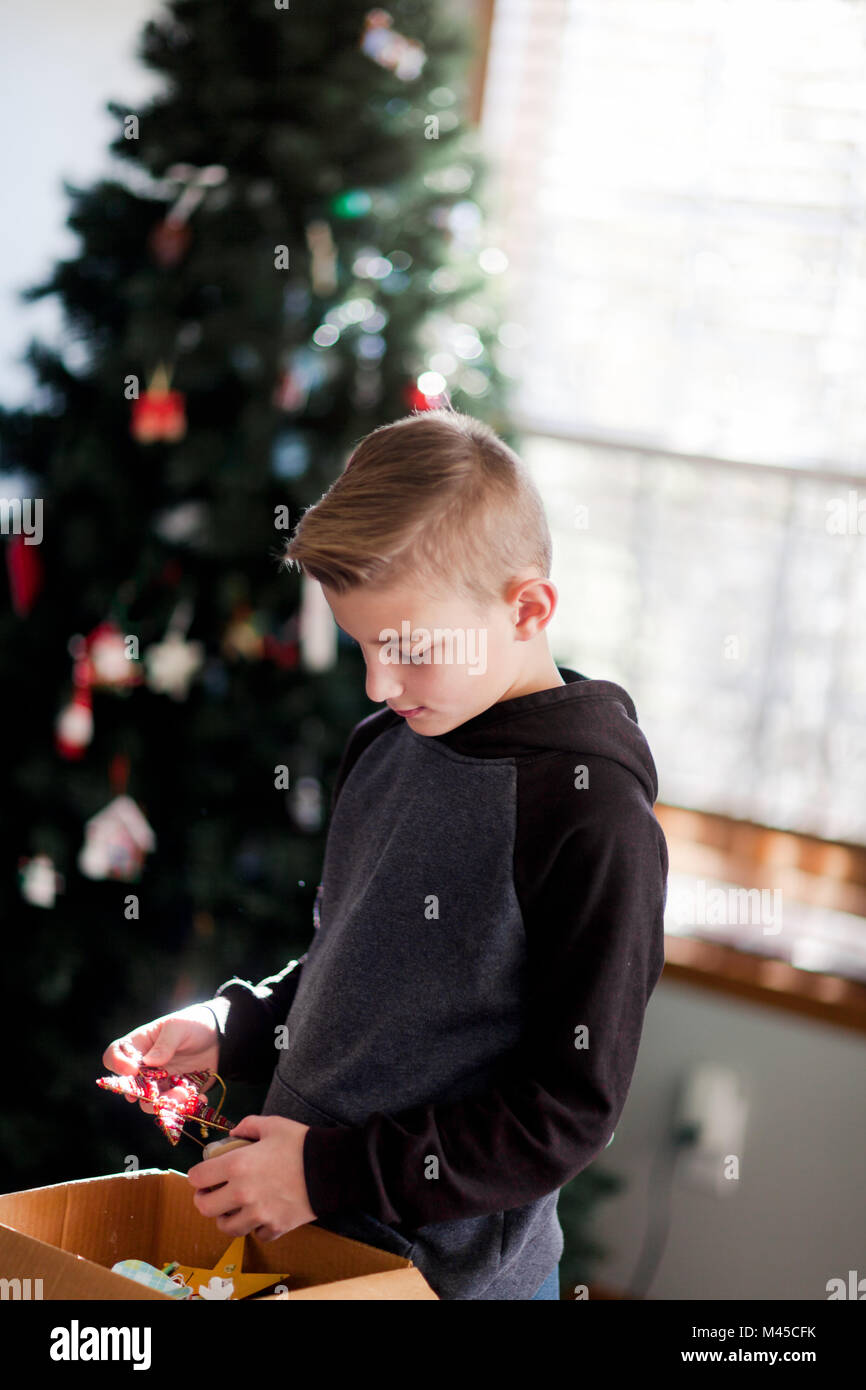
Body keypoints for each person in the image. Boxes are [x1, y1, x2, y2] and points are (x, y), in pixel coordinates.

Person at [103, 406, 668, 1301]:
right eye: (363, 646)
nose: (376, 683)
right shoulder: (392, 738)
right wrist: (235, 1026)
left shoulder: (591, 819)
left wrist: (326, 1173)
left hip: (443, 1282)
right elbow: (357, 961)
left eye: (406, 649)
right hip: (308, 1242)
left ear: (527, 608)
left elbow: (568, 1112)